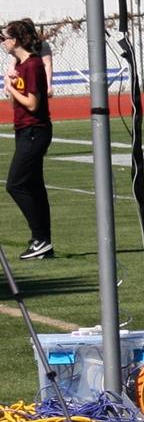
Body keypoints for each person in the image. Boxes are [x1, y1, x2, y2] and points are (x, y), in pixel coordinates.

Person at [4, 20, 53, 261]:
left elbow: (33, 104)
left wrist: (10, 89)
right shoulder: (21, 66)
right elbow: (16, 103)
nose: (3, 42)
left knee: (15, 184)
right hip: (24, 130)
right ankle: (42, 241)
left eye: (5, 38)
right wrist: (11, 85)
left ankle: (40, 239)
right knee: (34, 186)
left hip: (35, 130)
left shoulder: (33, 65)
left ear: (16, 40)